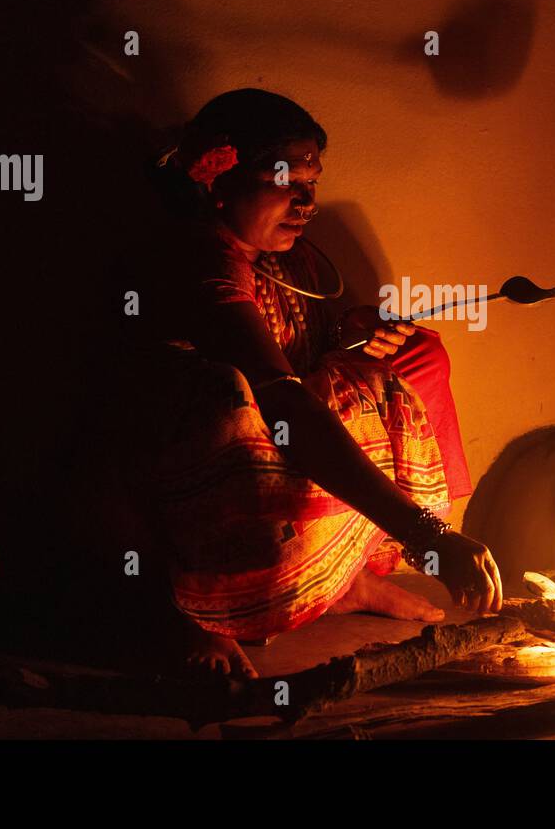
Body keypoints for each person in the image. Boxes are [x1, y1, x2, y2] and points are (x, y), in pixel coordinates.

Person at [122, 89, 503, 678]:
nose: (306, 203)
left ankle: (349, 580)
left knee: (419, 356)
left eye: (312, 185)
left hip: (283, 413)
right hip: (194, 470)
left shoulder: (285, 257)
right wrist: (423, 531)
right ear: (218, 179)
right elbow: (281, 399)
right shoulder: (203, 263)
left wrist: (350, 335)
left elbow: (303, 350)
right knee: (230, 398)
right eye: (285, 182)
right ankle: (199, 612)